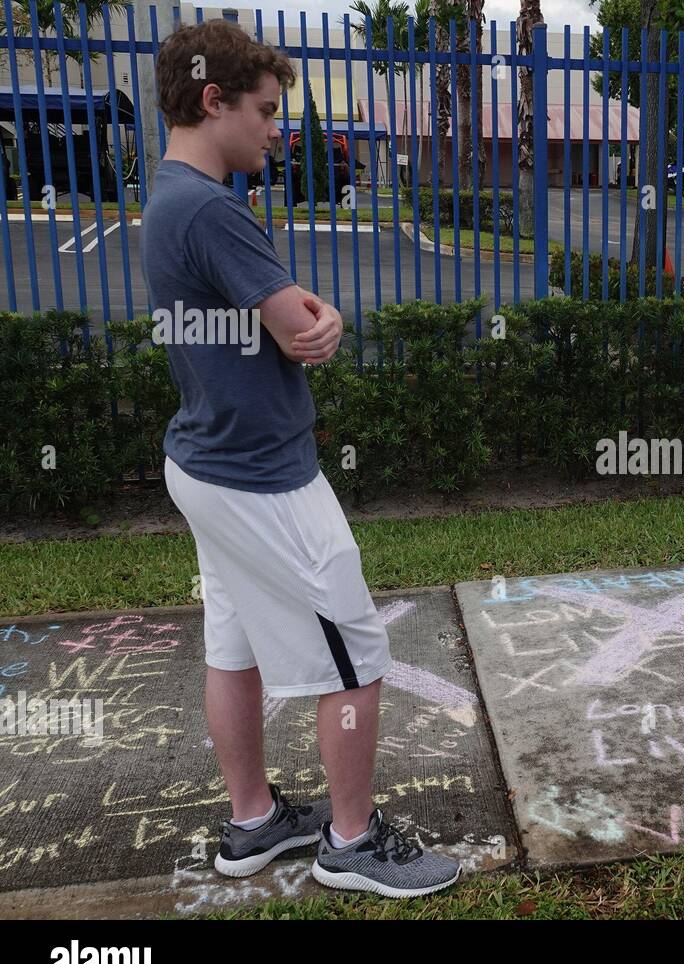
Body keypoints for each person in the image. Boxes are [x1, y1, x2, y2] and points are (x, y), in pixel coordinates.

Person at [141, 19, 460, 898]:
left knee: (233, 647)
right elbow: (302, 329)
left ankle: (253, 823)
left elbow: (281, 320)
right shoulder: (212, 206)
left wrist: (304, 321)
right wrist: (326, 324)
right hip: (261, 475)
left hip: (206, 461)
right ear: (214, 101)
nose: (278, 128)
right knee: (355, 652)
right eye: (267, 110)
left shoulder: (168, 194)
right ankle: (351, 843)